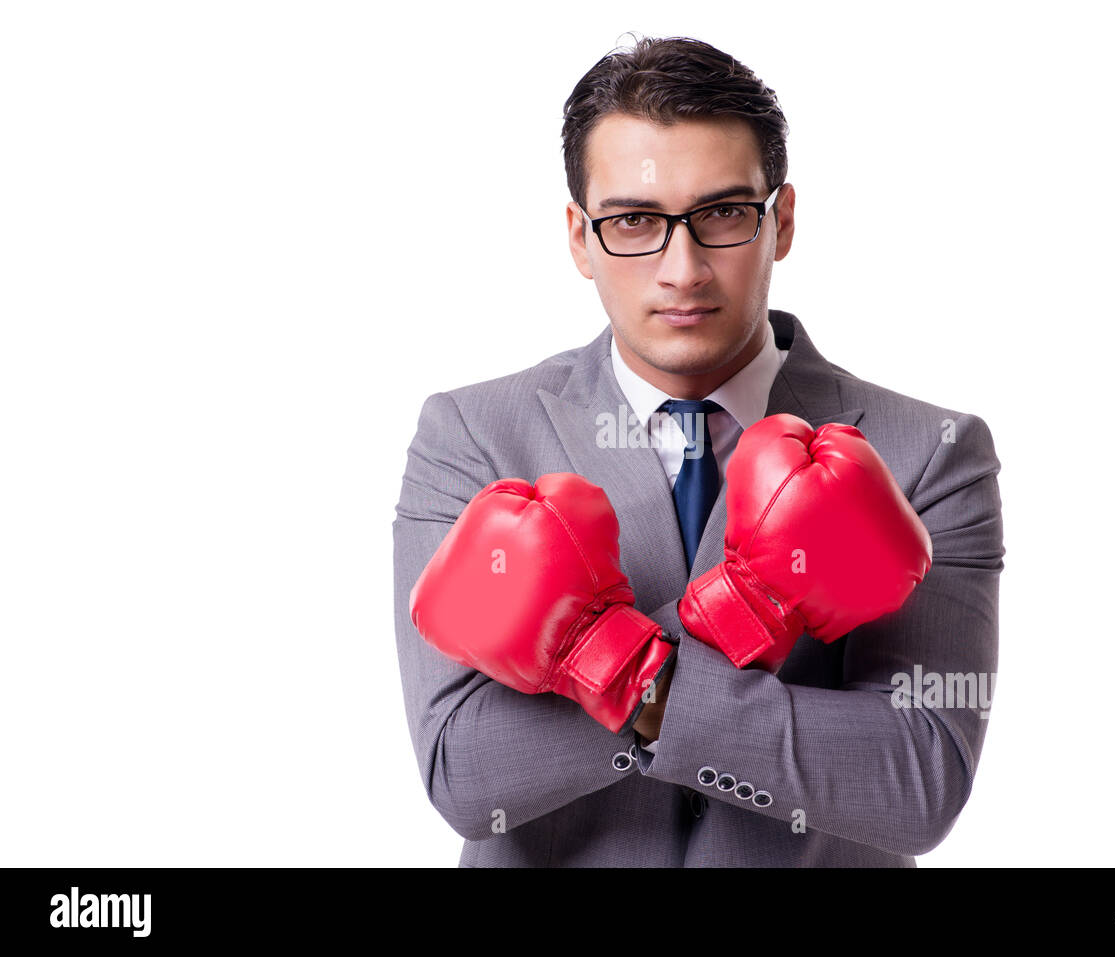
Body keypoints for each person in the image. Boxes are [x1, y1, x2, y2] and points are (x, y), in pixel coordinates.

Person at [392, 34, 1005, 867]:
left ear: (780, 221)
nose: (682, 269)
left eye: (721, 214)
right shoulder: (471, 434)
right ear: (580, 238)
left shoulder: (928, 453)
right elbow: (462, 772)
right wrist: (740, 616)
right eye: (635, 221)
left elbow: (918, 780)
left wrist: (611, 668)